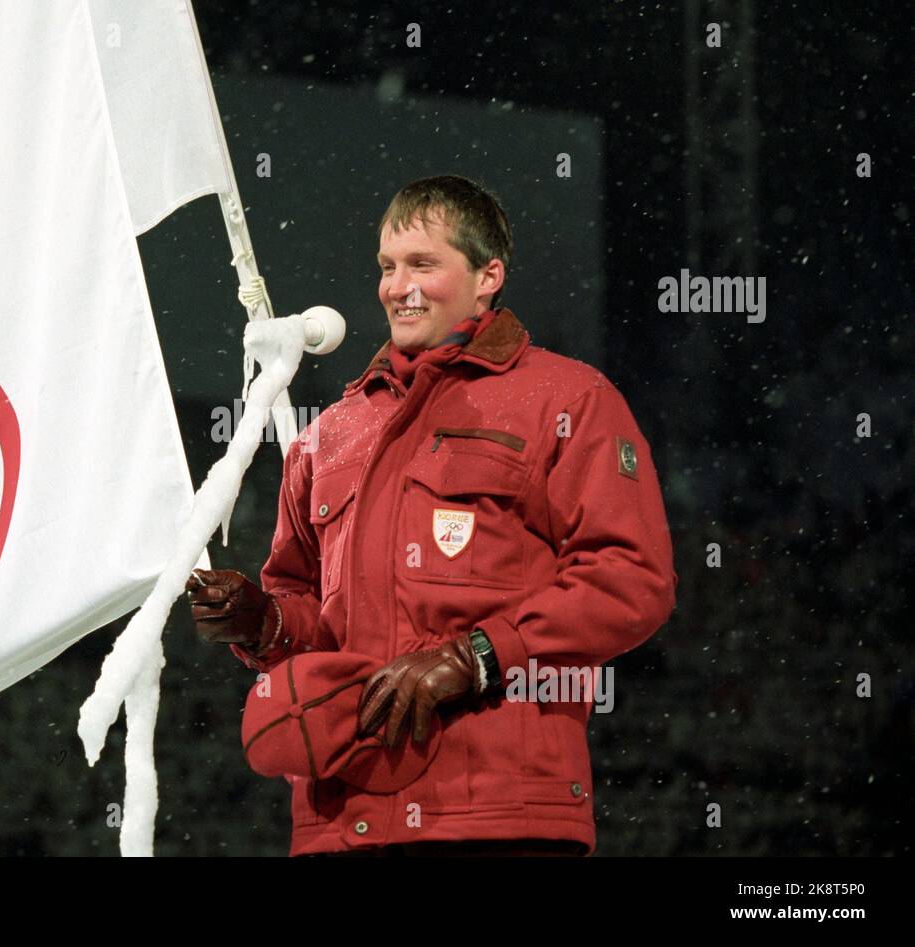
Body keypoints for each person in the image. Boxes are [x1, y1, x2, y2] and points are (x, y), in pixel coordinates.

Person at [186, 175, 677, 856]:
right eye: (388, 267)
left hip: (497, 817)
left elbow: (631, 579)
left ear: (488, 276)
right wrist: (262, 622)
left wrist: (478, 655)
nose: (397, 286)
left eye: (424, 264)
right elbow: (305, 612)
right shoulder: (327, 435)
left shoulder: (570, 400)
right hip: (341, 817)